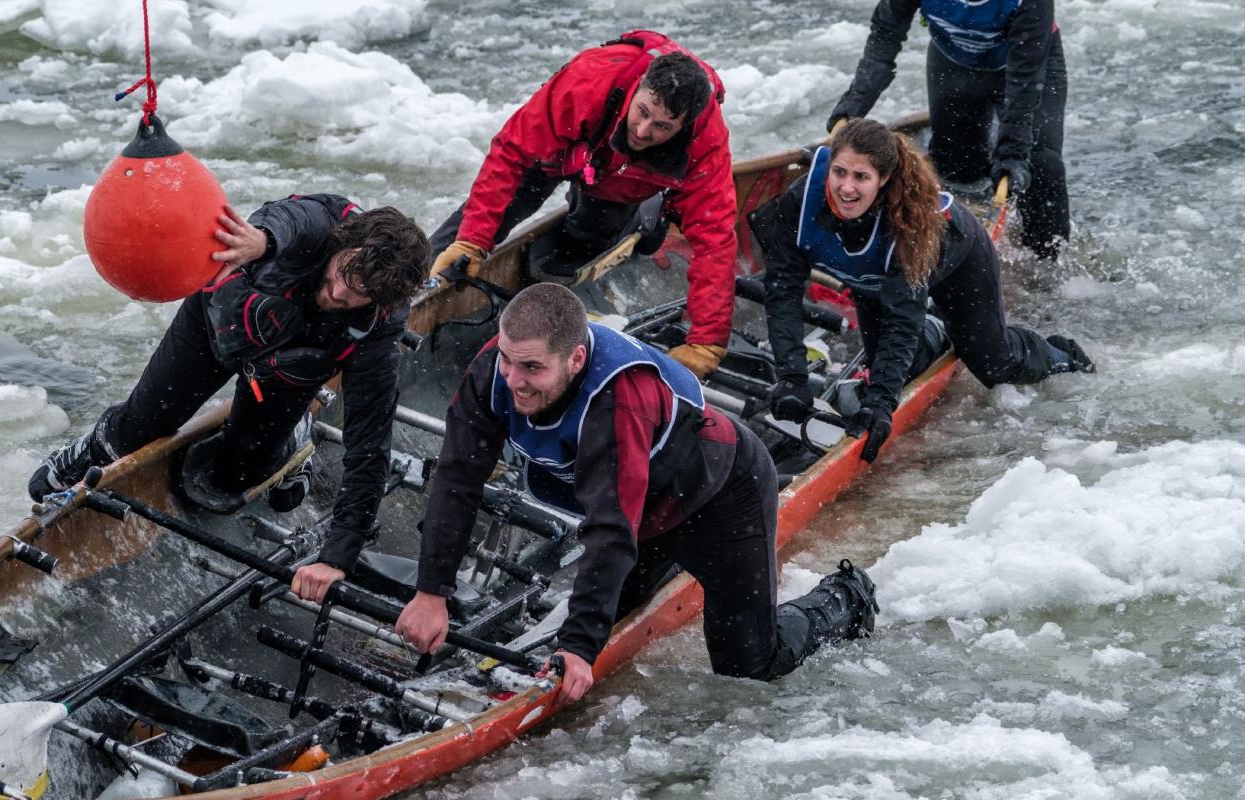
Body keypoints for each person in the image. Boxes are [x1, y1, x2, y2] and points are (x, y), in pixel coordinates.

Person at [393, 283, 879, 706]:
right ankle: (643, 583)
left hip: (719, 499)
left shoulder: (617, 400)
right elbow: (456, 481)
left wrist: (581, 649)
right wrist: (431, 590)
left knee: (750, 666)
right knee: (586, 619)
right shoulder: (492, 373)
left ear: (576, 358)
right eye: (507, 359)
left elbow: (610, 528)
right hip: (640, 513)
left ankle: (845, 597)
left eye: (532, 368)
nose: (514, 379)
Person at [28, 193, 431, 603]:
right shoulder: (318, 224)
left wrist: (339, 555)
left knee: (230, 480)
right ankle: (98, 442)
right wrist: (264, 240)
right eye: (339, 275)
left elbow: (369, 443)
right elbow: (288, 221)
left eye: (357, 294)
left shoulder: (377, 331)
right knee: (141, 429)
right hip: (218, 325)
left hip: (286, 372)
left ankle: (296, 432)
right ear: (344, 244)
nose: (338, 293)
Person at [753, 119, 1094, 463]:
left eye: (861, 177)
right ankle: (934, 328)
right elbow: (782, 290)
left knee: (992, 362)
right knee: (900, 365)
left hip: (959, 261)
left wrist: (881, 406)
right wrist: (792, 377)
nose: (846, 188)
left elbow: (902, 318)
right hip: (878, 281)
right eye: (839, 172)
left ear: (883, 179)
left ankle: (1062, 354)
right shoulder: (800, 202)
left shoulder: (908, 222)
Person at [427, 30, 738, 380]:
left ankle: (645, 218)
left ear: (684, 126)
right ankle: (411, 282)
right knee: (470, 231)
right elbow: (510, 154)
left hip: (628, 180)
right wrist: (473, 239)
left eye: (662, 126)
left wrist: (705, 341)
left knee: (582, 243)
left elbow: (716, 236)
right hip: (565, 150)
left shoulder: (706, 139)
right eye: (643, 112)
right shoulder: (590, 79)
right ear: (638, 88)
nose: (643, 129)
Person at [828, 0, 1071, 260]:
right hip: (955, 61)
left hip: (1028, 67)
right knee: (956, 172)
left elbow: (1025, 83)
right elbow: (885, 36)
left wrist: (1013, 154)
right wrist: (851, 108)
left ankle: (1047, 270)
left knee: (1039, 164)